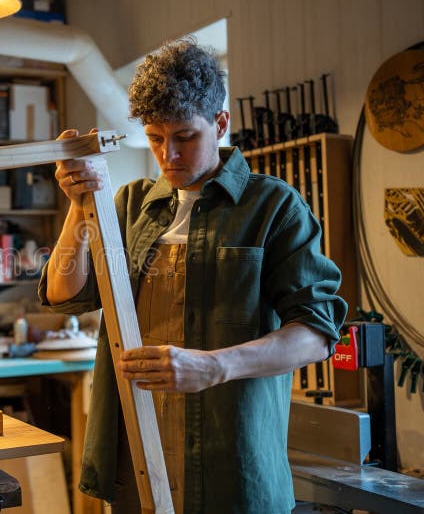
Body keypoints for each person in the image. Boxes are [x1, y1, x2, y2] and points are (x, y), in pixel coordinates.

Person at [37, 38, 347, 513]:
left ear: (220, 124)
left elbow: (316, 336)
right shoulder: (131, 204)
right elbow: (64, 294)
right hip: (137, 456)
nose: (169, 155)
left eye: (185, 137)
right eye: (155, 138)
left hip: (232, 463)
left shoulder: (273, 207)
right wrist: (80, 207)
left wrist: (215, 366)